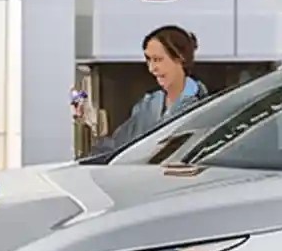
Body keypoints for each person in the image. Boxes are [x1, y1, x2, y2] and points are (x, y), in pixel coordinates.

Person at [74, 24, 209, 155]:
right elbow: (117, 145)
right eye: (149, 60)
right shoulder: (148, 104)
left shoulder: (206, 106)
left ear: (180, 59)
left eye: (158, 59)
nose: (152, 68)